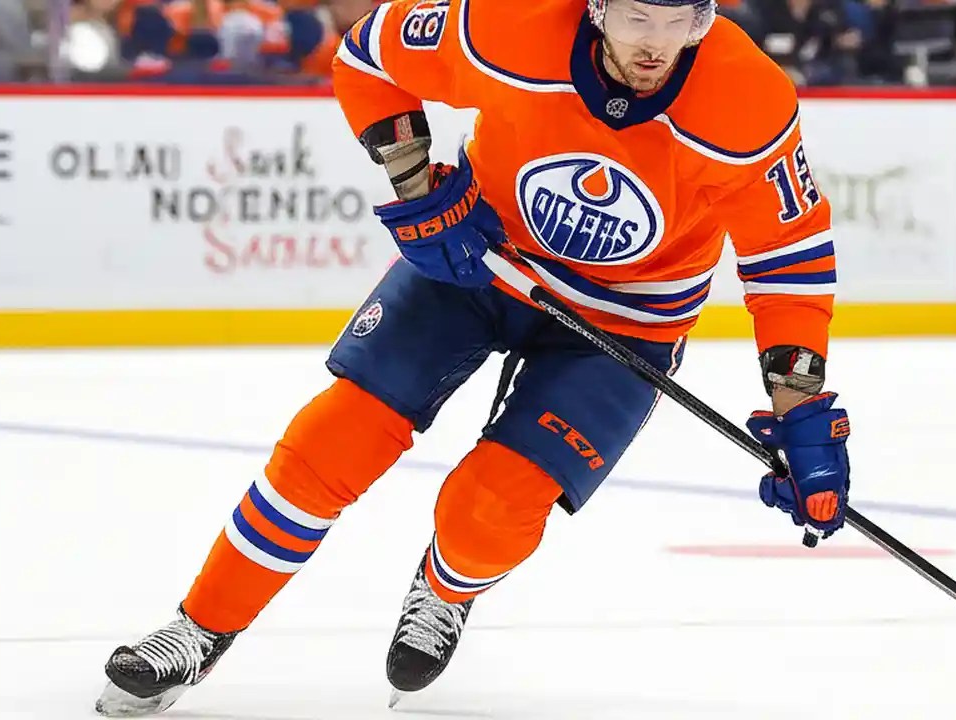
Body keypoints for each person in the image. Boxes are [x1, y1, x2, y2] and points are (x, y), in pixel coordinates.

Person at [94, 0, 853, 715]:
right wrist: (418, 191)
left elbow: (787, 257)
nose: (656, 42)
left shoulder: (747, 97)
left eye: (680, 18)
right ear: (595, 7)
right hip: (478, 259)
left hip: (630, 320)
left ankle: (447, 588)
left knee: (488, 513)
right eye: (634, 14)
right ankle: (200, 628)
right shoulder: (508, 24)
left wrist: (802, 412)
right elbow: (367, 57)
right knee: (333, 442)